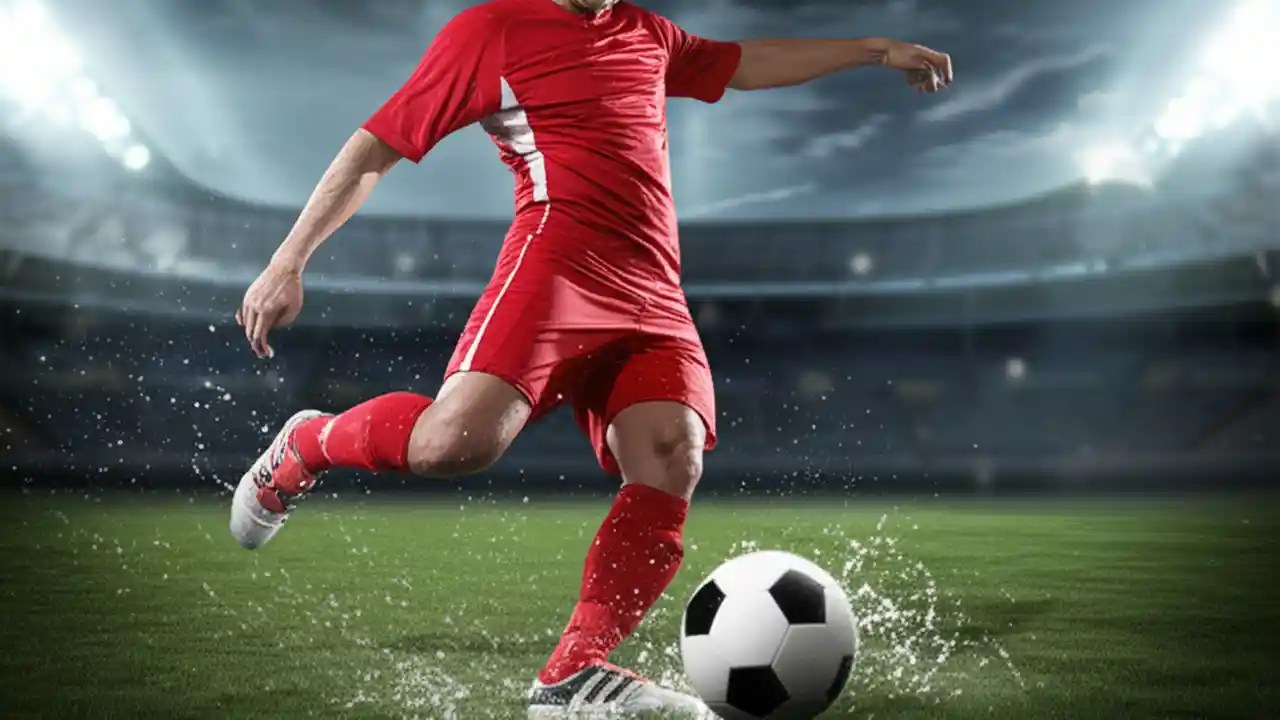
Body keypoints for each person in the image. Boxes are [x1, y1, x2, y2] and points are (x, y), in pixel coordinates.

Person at [231, 0, 952, 715]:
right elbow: (379, 144)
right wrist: (288, 261)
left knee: (674, 454)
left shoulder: (645, 31)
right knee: (454, 444)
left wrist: (870, 49)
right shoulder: (493, 31)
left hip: (652, 287)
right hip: (556, 268)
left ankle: (573, 675)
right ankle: (309, 441)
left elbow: (738, 64)